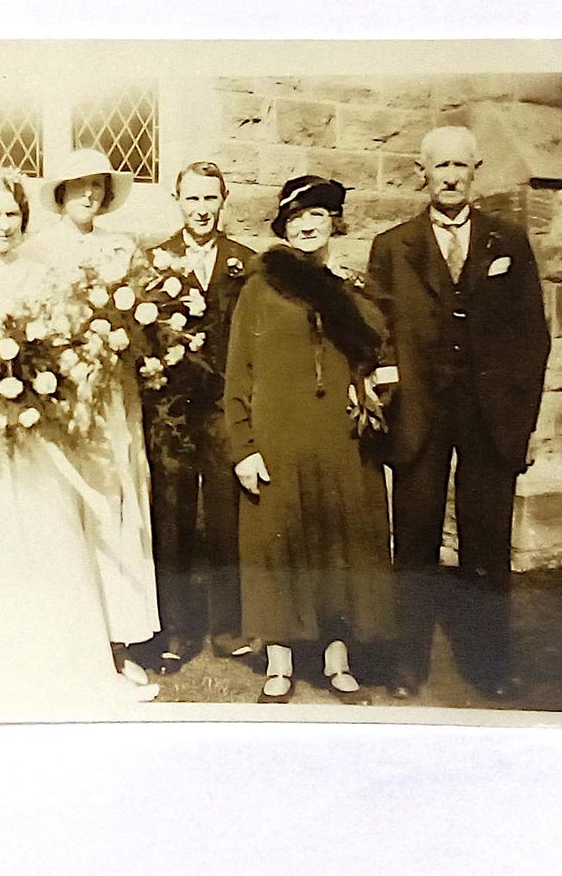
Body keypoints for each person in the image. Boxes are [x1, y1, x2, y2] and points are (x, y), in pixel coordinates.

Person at [0, 168, 158, 708]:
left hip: (41, 436)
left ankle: (73, 664)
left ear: (25, 219)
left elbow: (67, 347)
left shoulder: (43, 271)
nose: (4, 224)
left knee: (55, 544)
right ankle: (11, 670)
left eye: (12, 214)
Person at [366, 125, 550, 700]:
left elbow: (531, 337)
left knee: (487, 545)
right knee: (415, 541)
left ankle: (487, 663)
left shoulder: (509, 240)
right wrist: (391, 401)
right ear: (421, 173)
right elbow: (378, 337)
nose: (449, 177)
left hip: (489, 419)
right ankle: (407, 662)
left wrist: (521, 424)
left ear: (476, 172)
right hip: (420, 417)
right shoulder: (393, 245)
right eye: (439, 166)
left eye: (460, 167)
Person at [224, 175, 396, 703]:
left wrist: (371, 390)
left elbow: (382, 357)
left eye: (316, 216)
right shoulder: (261, 287)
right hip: (277, 437)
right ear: (283, 225)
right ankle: (279, 660)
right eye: (295, 217)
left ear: (334, 224)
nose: (305, 225)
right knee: (277, 547)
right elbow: (238, 372)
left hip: (337, 441)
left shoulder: (353, 293)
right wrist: (243, 447)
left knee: (339, 544)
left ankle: (336, 657)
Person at [25, 149, 161, 682]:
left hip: (110, 395)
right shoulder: (38, 251)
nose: (88, 194)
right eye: (77, 185)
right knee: (63, 506)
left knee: (114, 502)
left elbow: (140, 325)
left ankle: (121, 637)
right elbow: (29, 324)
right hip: (59, 394)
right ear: (60, 193)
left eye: (97, 186)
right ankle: (71, 636)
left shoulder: (121, 249)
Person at [139, 161, 255, 671]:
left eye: (210, 199)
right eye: (192, 199)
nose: (201, 210)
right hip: (174, 414)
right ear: (178, 200)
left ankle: (230, 628)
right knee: (174, 519)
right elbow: (143, 337)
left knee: (228, 519)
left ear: (222, 201)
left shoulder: (245, 263)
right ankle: (177, 631)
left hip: (225, 411)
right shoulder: (155, 261)